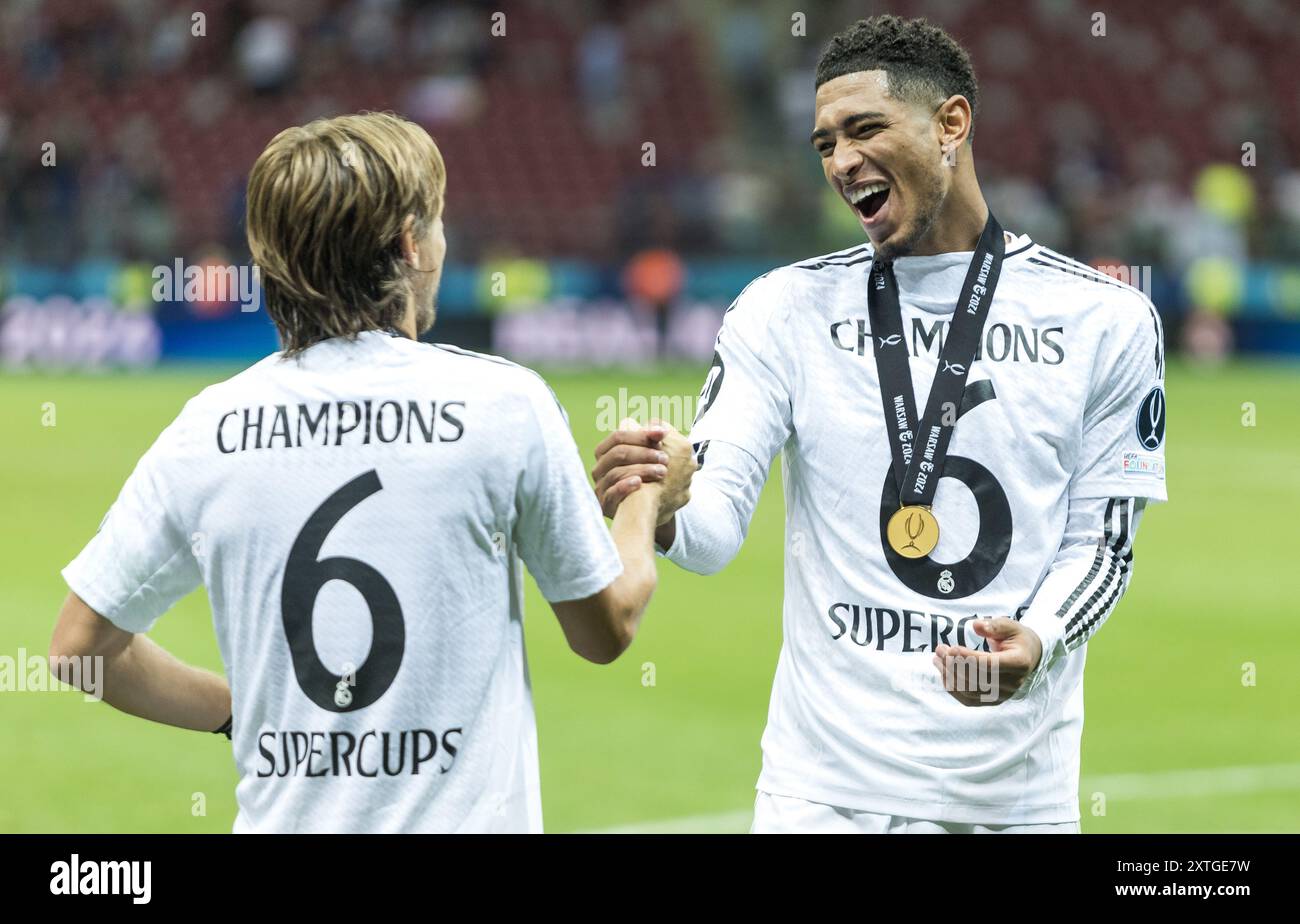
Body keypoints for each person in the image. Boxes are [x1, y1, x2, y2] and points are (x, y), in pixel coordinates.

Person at [592, 16, 1167, 834]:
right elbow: (714, 533)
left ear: (951, 125)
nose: (841, 161)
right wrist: (670, 493)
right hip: (822, 800)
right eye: (824, 143)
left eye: (864, 129)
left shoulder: (1104, 319)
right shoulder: (782, 309)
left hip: (1015, 803)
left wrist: (1036, 640)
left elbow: (1102, 546)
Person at [49, 112, 693, 833]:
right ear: (409, 244)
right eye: (438, 222)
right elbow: (605, 631)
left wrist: (239, 715)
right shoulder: (501, 403)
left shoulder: (208, 427)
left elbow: (79, 652)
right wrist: (647, 497)